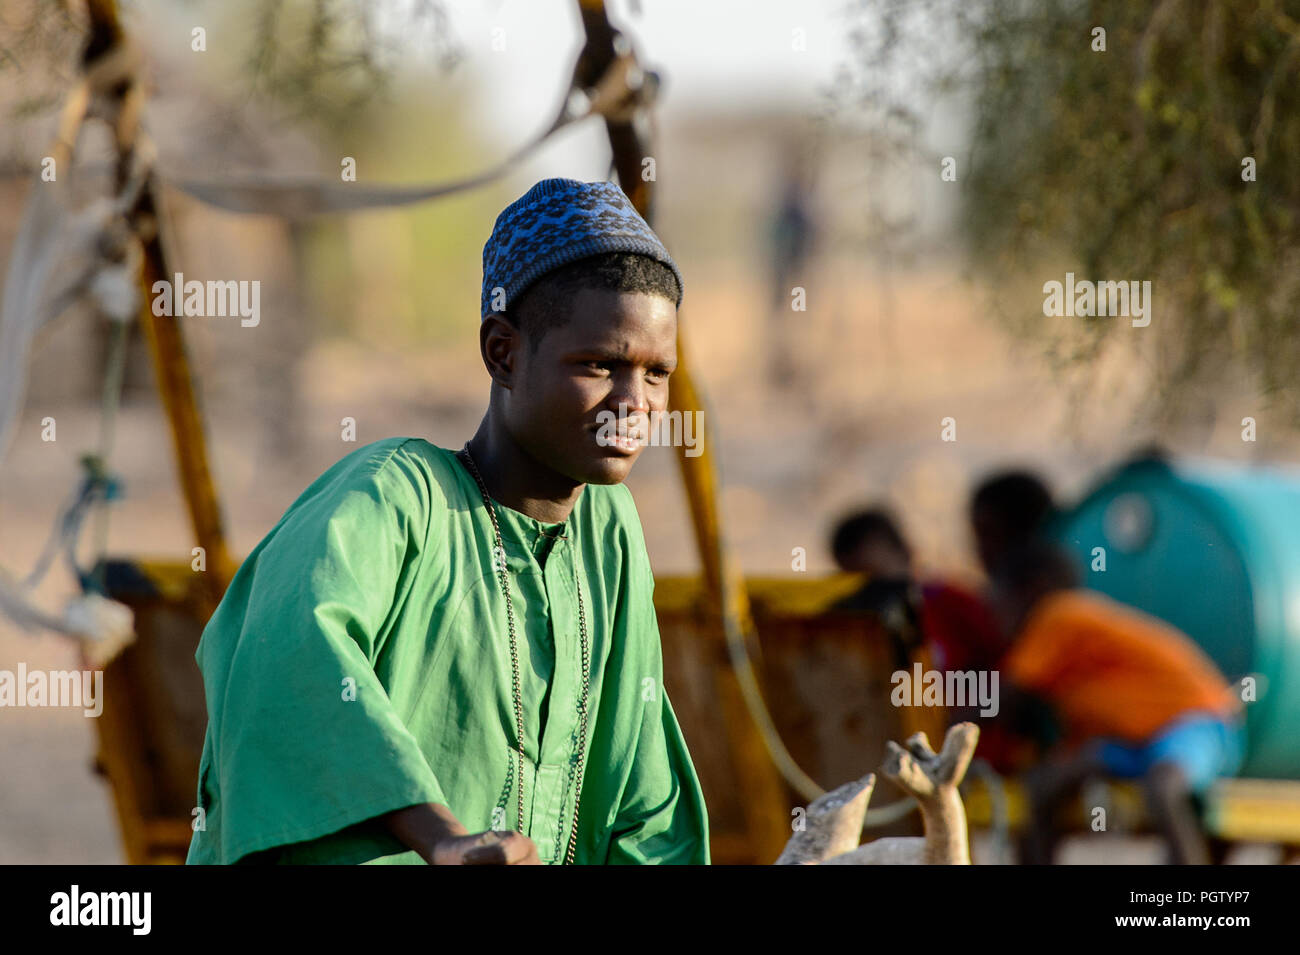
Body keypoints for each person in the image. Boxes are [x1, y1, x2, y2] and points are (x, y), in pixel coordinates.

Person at [187, 178, 710, 865]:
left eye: (655, 373)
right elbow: (287, 655)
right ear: (503, 352)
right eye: (598, 364)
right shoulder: (395, 495)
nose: (633, 401)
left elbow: (642, 790)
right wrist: (441, 837)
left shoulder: (608, 531)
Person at [990, 541, 1244, 865]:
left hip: (1194, 722)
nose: (996, 619)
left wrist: (950, 729)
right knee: (1043, 787)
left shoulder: (1058, 613)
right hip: (1133, 742)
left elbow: (1004, 695)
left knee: (1164, 787)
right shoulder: (1062, 643)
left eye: (998, 604)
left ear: (1031, 590)